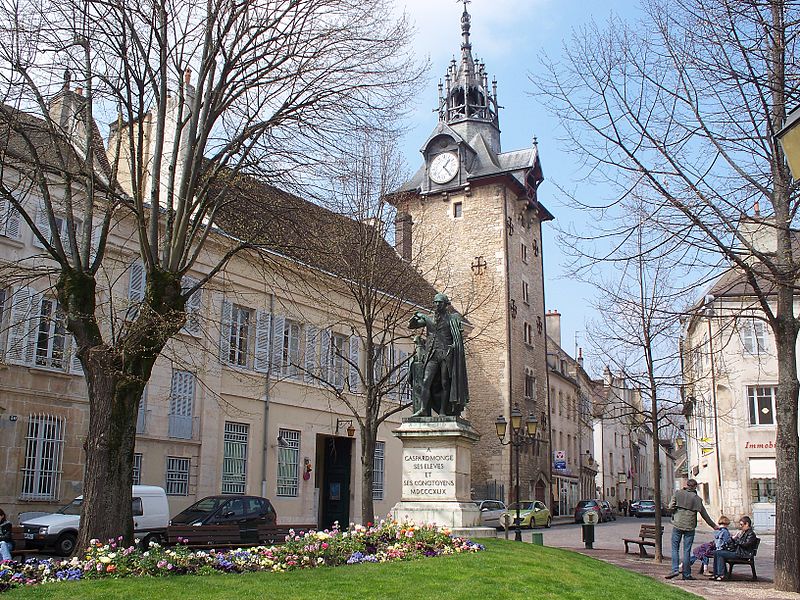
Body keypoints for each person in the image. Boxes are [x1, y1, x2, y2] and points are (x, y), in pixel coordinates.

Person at [407, 293, 469, 417]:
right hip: (432, 354)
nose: (437, 304)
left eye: (440, 302)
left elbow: (457, 336)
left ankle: (442, 411)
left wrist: (454, 346)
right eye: (435, 302)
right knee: (426, 381)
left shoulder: (452, 318)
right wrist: (415, 317)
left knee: (445, 383)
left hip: (446, 355)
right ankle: (423, 409)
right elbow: (411, 325)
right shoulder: (429, 318)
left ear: (446, 304)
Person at [665, 479, 719, 581]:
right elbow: (704, 515)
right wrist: (714, 526)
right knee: (687, 550)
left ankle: (675, 569)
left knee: (675, 548)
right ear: (695, 487)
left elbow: (670, 507)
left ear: (687, 485)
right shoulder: (697, 499)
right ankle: (686, 573)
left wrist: (675, 511)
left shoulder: (678, 493)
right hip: (690, 526)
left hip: (678, 523)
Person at [712, 515, 759, 581]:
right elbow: (737, 543)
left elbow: (745, 544)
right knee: (716, 552)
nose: (740, 526)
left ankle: (721, 574)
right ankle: (716, 574)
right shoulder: (744, 533)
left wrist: (736, 539)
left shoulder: (751, 534)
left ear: (747, 524)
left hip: (742, 553)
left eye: (741, 525)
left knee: (720, 553)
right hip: (738, 551)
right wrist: (733, 539)